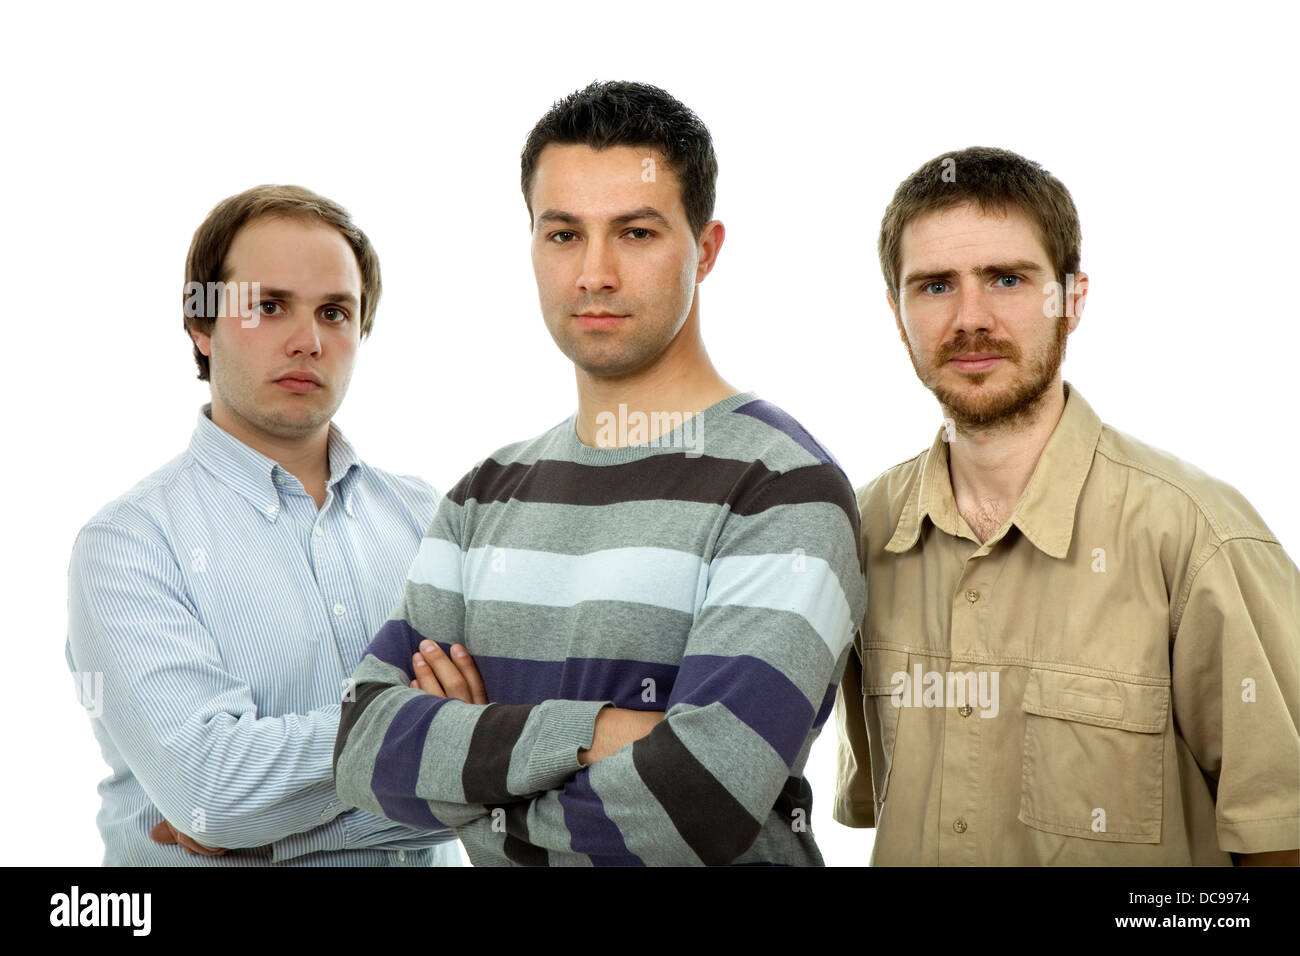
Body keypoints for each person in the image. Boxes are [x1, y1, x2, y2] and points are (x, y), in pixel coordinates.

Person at [333, 81, 866, 866]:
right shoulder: (485, 493)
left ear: (706, 249)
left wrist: (475, 781)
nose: (595, 273)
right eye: (563, 235)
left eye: (637, 232)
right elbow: (363, 746)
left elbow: (696, 806)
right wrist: (595, 735)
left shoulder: (783, 490)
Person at [833, 146, 1300, 865]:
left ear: (1072, 298)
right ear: (897, 317)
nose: (970, 318)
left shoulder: (1199, 536)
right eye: (933, 286)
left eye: (1008, 279)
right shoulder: (856, 533)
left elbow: (1281, 841)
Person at [66, 184, 460, 866]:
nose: (307, 341)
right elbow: (211, 794)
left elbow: (517, 758)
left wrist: (271, 830)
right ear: (200, 325)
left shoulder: (430, 516)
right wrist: (432, 735)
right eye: (269, 306)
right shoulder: (126, 545)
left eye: (334, 312)